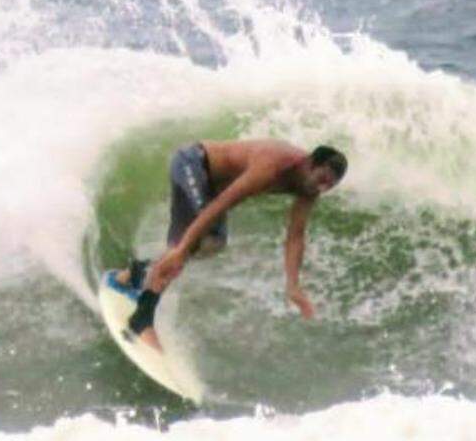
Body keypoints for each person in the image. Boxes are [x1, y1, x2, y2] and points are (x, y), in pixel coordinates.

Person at [115, 139, 348, 350]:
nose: (322, 188)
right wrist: (183, 248)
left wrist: (293, 284)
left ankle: (138, 272)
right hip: (192, 164)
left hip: (211, 186)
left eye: (329, 186)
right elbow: (220, 205)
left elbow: (296, 235)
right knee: (194, 243)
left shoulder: (309, 188)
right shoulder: (272, 165)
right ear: (309, 163)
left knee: (212, 244)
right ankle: (140, 321)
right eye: (322, 179)